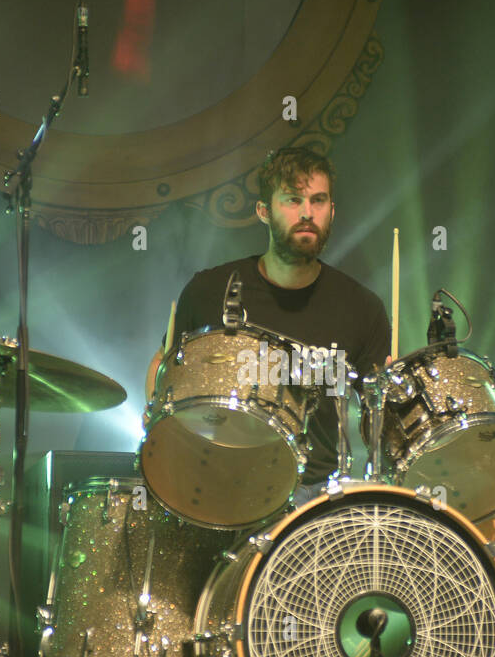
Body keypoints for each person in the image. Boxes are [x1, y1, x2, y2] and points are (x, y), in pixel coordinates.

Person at [145, 146, 391, 486]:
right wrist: (163, 423)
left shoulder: (363, 307)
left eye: (318, 201)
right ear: (263, 211)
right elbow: (165, 366)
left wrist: (392, 393)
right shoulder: (209, 290)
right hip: (222, 481)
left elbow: (374, 416)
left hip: (317, 493)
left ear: (331, 211)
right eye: (292, 200)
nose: (307, 213)